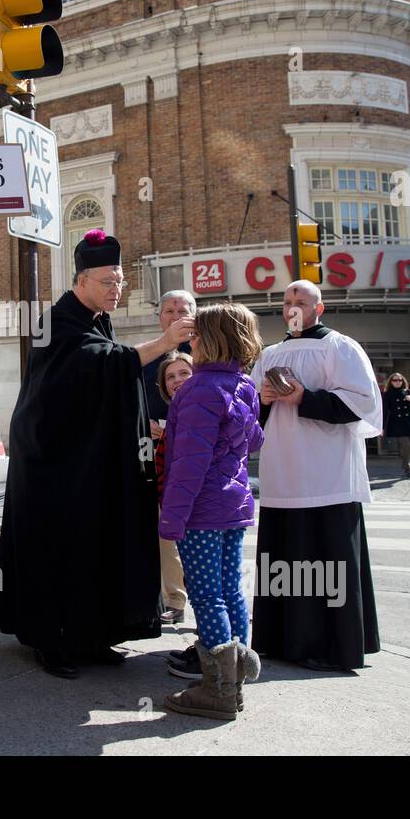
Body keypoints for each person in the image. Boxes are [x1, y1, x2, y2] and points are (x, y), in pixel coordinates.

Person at [0, 229, 195, 679]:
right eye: (107, 281)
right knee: (57, 550)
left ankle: (92, 634)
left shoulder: (98, 318)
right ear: (80, 280)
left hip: (87, 463)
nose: (116, 289)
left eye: (120, 281)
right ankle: (52, 639)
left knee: (96, 545)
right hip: (51, 463)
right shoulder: (57, 319)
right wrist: (161, 345)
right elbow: (91, 366)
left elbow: (104, 371)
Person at [249, 280, 382, 672]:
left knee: (328, 562)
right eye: (288, 301)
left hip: (328, 476)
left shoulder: (340, 347)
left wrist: (303, 397)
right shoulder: (269, 354)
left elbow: (362, 405)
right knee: (283, 561)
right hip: (282, 474)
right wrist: (263, 400)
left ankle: (330, 645)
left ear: (318, 308)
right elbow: (249, 411)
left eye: (301, 301)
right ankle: (281, 640)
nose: (293, 307)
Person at [159, 304, 264, 720]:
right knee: (230, 590)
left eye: (197, 335)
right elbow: (254, 440)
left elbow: (189, 463)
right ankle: (233, 681)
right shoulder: (244, 386)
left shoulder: (198, 390)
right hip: (234, 504)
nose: (191, 341)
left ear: (212, 339)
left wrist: (172, 517)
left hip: (202, 509)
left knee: (206, 595)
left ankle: (217, 689)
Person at [144, 291, 195, 626]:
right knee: (163, 534)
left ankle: (193, 596)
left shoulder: (210, 354)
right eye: (169, 310)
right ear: (160, 316)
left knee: (199, 534)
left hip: (198, 462)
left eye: (183, 310)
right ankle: (171, 598)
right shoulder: (145, 356)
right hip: (154, 460)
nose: (176, 315)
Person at [153, 351, 194, 626]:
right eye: (170, 376)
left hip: (197, 494)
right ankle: (174, 602)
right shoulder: (174, 410)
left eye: (184, 373)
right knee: (168, 547)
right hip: (168, 492)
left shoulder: (201, 404)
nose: (177, 380)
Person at [382, 373, 410, 478]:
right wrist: (382, 427)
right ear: (391, 382)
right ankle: (408, 470)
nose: (398, 382)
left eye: (400, 380)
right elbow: (385, 411)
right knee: (406, 447)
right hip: (397, 424)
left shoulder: (407, 391)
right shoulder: (387, 394)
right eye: (395, 380)